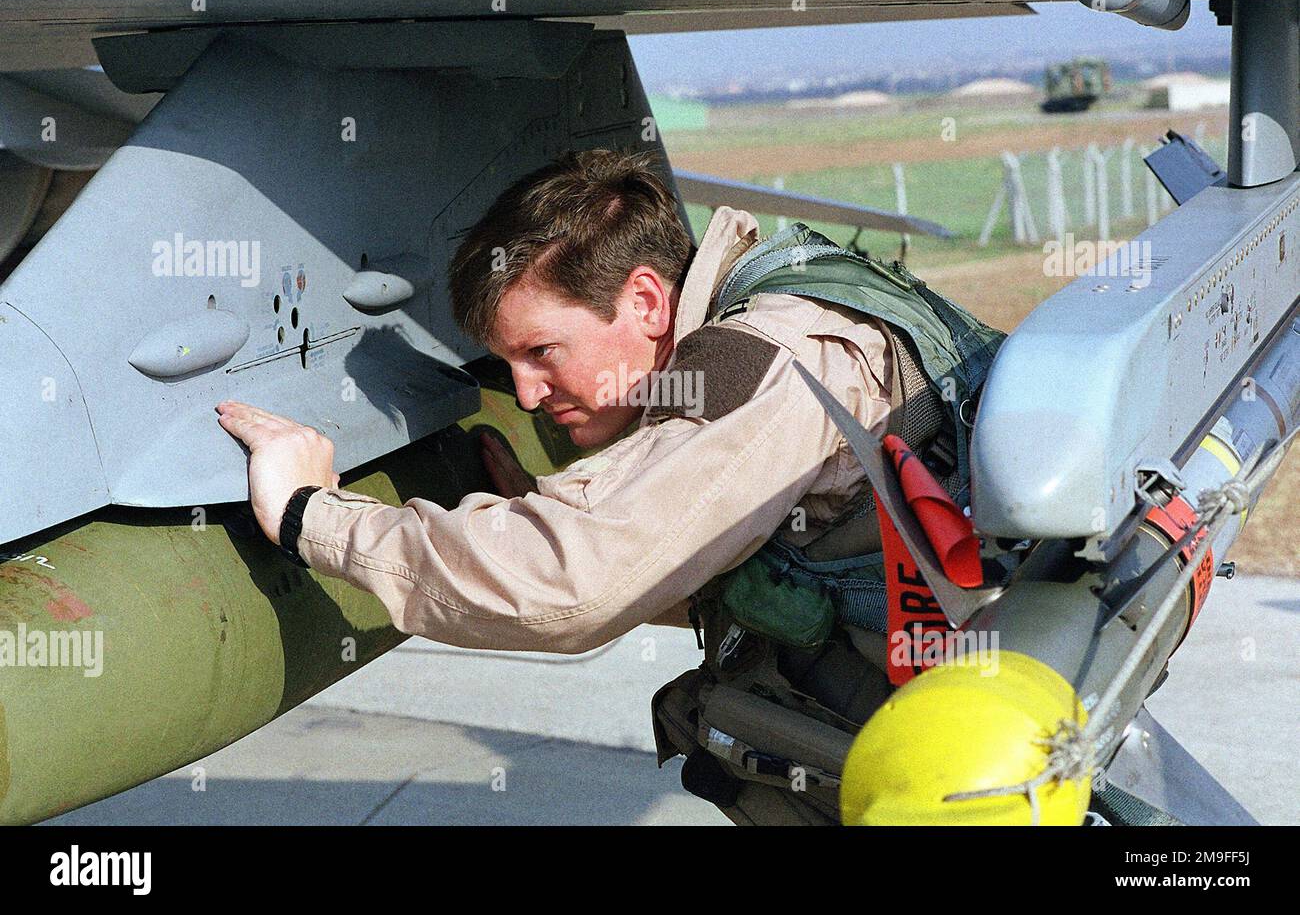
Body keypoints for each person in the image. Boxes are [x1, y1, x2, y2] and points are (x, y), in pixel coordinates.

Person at [216, 147, 1003, 823]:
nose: (526, 395)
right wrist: (551, 502)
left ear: (647, 301)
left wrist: (310, 515)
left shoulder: (766, 360)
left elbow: (568, 586)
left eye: (543, 352)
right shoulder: (772, 323)